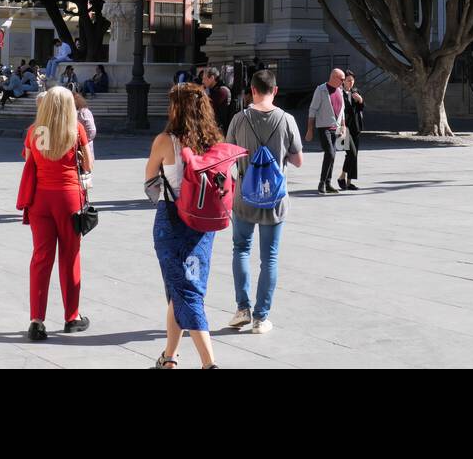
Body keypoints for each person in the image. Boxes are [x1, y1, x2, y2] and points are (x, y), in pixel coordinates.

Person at [145, 82, 225, 369]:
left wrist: (172, 192)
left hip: (171, 222)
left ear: (176, 107)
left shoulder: (165, 141)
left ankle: (209, 363)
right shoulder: (213, 141)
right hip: (203, 225)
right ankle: (169, 357)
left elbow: (150, 183)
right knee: (181, 288)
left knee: (186, 291)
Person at [225, 68, 303, 334]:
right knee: (269, 258)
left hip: (244, 197)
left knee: (241, 250)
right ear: (275, 90)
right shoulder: (287, 119)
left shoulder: (239, 118)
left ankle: (242, 309)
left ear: (252, 90)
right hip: (274, 199)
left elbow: (230, 157)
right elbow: (298, 160)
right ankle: (261, 318)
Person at [21, 87, 91, 341]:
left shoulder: (33, 132)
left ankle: (36, 320)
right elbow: (87, 165)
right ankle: (72, 317)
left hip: (40, 198)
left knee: (41, 258)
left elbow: (29, 162)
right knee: (70, 257)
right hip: (69, 198)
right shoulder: (76, 131)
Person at [306, 68, 347, 194]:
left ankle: (328, 183)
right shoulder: (321, 90)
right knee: (329, 152)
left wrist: (343, 127)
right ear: (334, 77)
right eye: (342, 79)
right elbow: (312, 110)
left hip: (336, 128)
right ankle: (322, 182)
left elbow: (342, 112)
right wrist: (310, 130)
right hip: (324, 127)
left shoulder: (340, 91)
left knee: (333, 155)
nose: (343, 82)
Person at [337, 70, 365, 190]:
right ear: (343, 81)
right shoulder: (338, 93)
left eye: (352, 80)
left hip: (355, 126)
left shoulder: (355, 91)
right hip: (343, 127)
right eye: (348, 80)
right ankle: (342, 176)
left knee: (354, 155)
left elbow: (360, 108)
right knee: (350, 153)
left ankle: (349, 181)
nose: (351, 83)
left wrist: (360, 100)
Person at [201, 66, 233, 132]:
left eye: (204, 78)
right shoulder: (214, 91)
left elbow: (207, 108)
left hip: (220, 130)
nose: (202, 81)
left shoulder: (221, 91)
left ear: (212, 78)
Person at [74, 91, 96, 166]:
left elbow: (91, 131)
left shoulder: (84, 112)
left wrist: (81, 141)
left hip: (82, 147)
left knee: (84, 170)